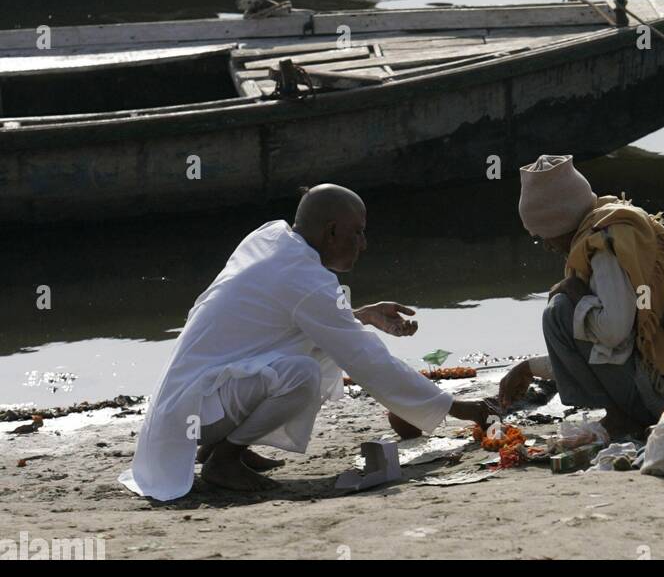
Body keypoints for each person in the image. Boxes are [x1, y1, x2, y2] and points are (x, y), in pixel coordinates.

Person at [120, 184, 494, 500]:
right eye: (357, 233)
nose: (363, 243)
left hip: (187, 407)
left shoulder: (271, 238)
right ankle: (225, 460)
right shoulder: (306, 278)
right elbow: (367, 360)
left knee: (319, 350)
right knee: (302, 373)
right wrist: (456, 406)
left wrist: (359, 315)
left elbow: (288, 323)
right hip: (194, 411)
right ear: (331, 231)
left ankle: (222, 445)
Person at [499, 155, 664, 439]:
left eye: (544, 235)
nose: (546, 245)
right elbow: (614, 345)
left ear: (559, 223)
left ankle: (621, 418)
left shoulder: (603, 246)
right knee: (570, 306)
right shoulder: (616, 224)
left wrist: (577, 292)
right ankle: (621, 415)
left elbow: (612, 334)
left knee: (558, 310)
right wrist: (529, 367)